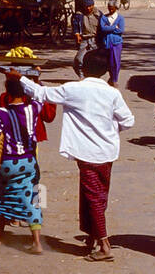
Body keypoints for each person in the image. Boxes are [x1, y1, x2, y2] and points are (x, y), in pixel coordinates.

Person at [19, 50, 134, 262]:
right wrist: (108, 129)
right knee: (98, 196)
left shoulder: (74, 89)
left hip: (87, 153)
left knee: (93, 198)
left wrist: (21, 77)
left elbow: (42, 94)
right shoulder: (112, 93)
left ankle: (104, 245)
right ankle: (92, 236)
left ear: (83, 68)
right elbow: (128, 121)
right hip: (107, 152)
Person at [0, 76, 46, 254]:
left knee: (2, 196)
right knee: (35, 196)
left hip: (7, 163)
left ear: (7, 93)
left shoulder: (1, 113)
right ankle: (37, 242)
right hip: (30, 161)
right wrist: (35, 77)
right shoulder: (34, 108)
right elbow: (41, 95)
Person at [99, 0, 126, 86]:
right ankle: (110, 77)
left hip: (116, 43)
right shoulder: (104, 17)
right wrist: (114, 27)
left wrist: (109, 28)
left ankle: (115, 79)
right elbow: (102, 28)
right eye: (109, 9)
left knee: (116, 62)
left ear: (116, 8)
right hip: (106, 42)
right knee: (108, 62)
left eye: (112, 9)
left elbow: (120, 30)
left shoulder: (120, 18)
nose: (110, 11)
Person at [73, 1, 100, 77]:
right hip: (84, 40)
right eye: (86, 6)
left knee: (96, 61)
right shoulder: (79, 15)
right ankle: (82, 77)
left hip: (95, 40)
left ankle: (94, 77)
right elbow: (75, 26)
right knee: (79, 60)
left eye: (90, 6)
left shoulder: (98, 14)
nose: (88, 8)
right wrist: (77, 35)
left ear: (93, 5)